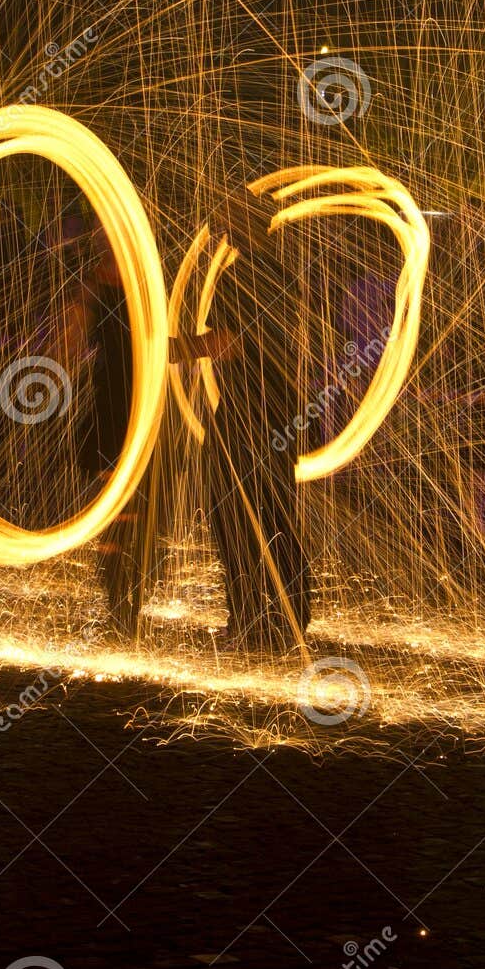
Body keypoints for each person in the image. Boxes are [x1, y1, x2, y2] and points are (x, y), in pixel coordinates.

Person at [178, 190, 309, 651]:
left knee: (232, 511)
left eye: (228, 216)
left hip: (246, 412)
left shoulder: (243, 274)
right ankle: (288, 616)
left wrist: (176, 351)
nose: (219, 226)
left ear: (246, 224)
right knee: (274, 512)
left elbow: (228, 343)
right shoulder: (280, 272)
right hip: (280, 408)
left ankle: (252, 617)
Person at [77, 225, 160, 636]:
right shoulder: (95, 287)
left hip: (137, 406)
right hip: (112, 406)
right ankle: (118, 602)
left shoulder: (140, 286)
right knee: (117, 513)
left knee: (136, 512)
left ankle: (130, 600)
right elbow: (71, 344)